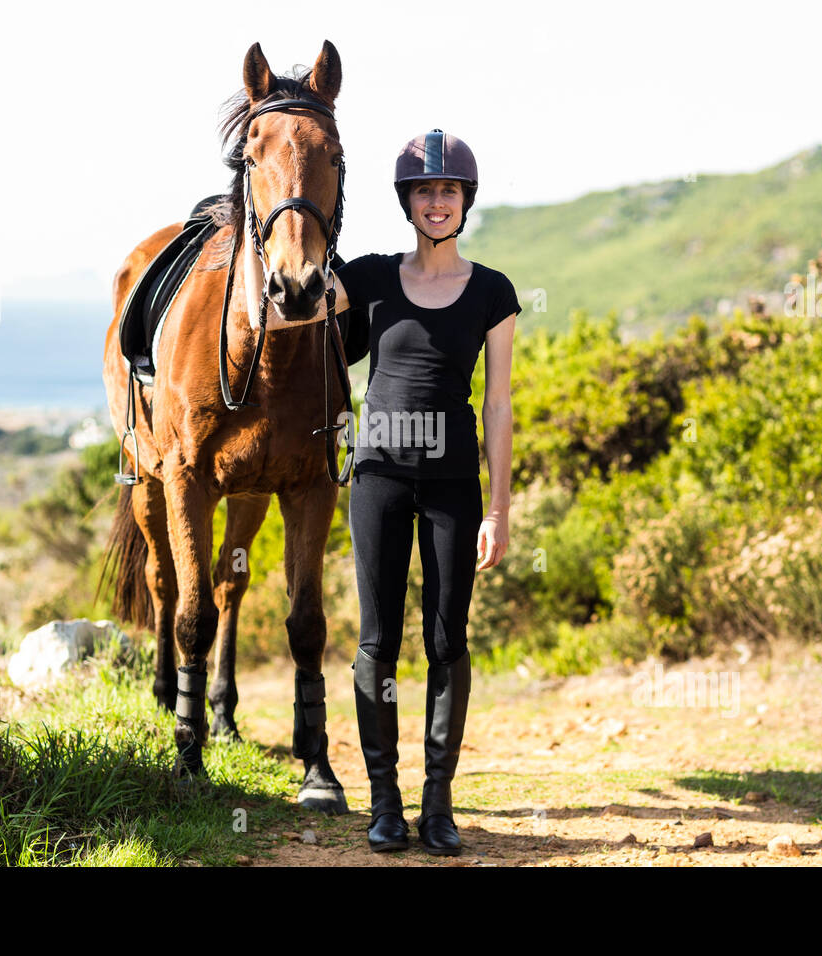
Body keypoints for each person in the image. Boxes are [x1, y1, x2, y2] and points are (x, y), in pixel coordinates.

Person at [328, 129, 521, 855]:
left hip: (451, 485)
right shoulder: (371, 276)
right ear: (406, 200)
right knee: (377, 642)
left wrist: (498, 507)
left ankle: (437, 805)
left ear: (464, 201)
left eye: (448, 190)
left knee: (447, 641)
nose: (436, 201)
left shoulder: (494, 291)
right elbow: (295, 298)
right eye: (424, 190)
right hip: (377, 475)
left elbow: (498, 405)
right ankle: (384, 803)